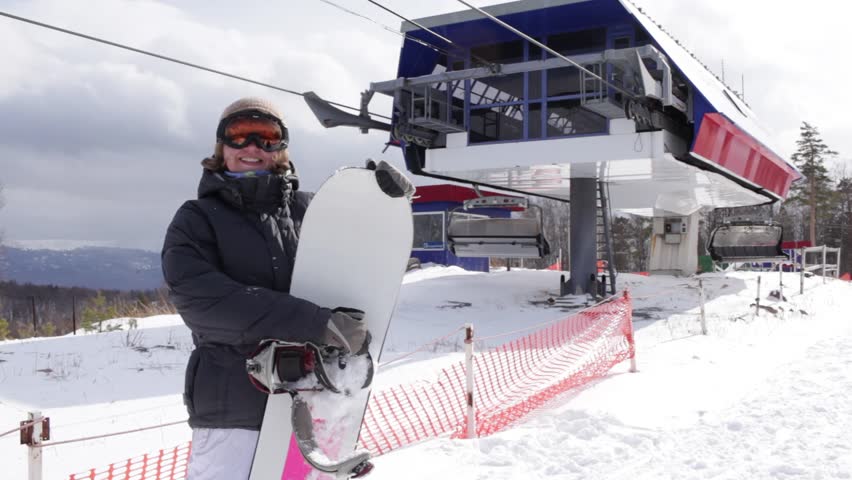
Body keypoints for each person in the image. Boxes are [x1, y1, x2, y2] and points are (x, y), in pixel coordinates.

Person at [162, 97, 368, 480]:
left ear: (281, 148)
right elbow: (204, 303)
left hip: (313, 401)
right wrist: (315, 322)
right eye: (239, 135)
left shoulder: (314, 212)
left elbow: (362, 266)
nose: (252, 147)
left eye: (268, 136)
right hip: (233, 411)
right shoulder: (196, 219)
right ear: (221, 148)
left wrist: (382, 199)